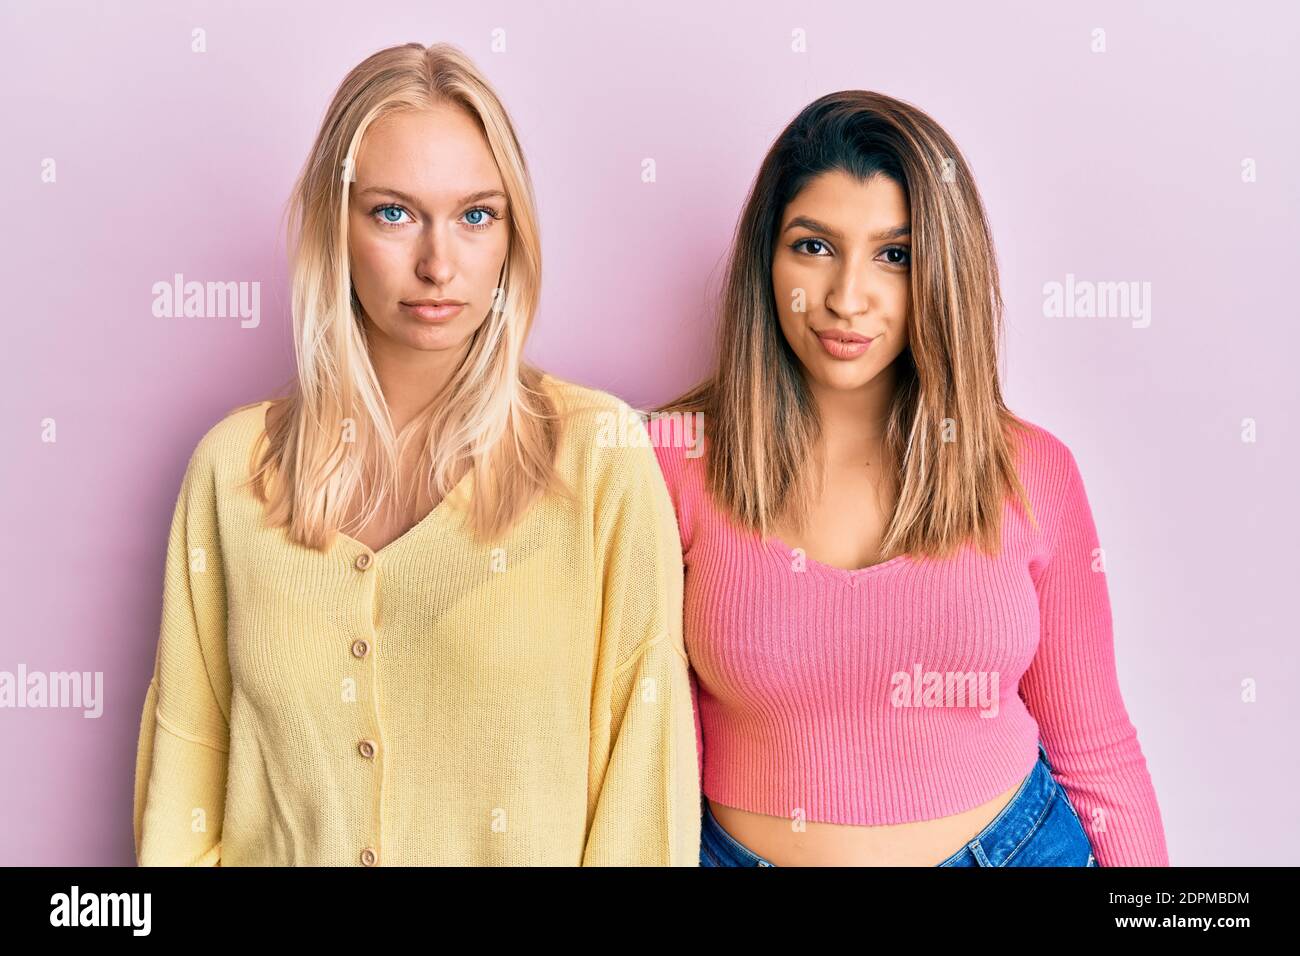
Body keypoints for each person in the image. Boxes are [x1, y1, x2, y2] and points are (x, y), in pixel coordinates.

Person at [133, 41, 698, 866]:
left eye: (476, 216)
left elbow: (644, 805)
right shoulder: (231, 472)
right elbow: (181, 790)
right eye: (394, 213)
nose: (438, 265)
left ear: (513, 234)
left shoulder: (600, 461)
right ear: (338, 224)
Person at [652, 90, 1169, 867]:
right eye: (814, 246)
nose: (846, 297)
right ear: (768, 256)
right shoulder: (667, 462)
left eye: (895, 255)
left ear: (942, 274)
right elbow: (641, 758)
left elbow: (1095, 748)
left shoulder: (1030, 471)